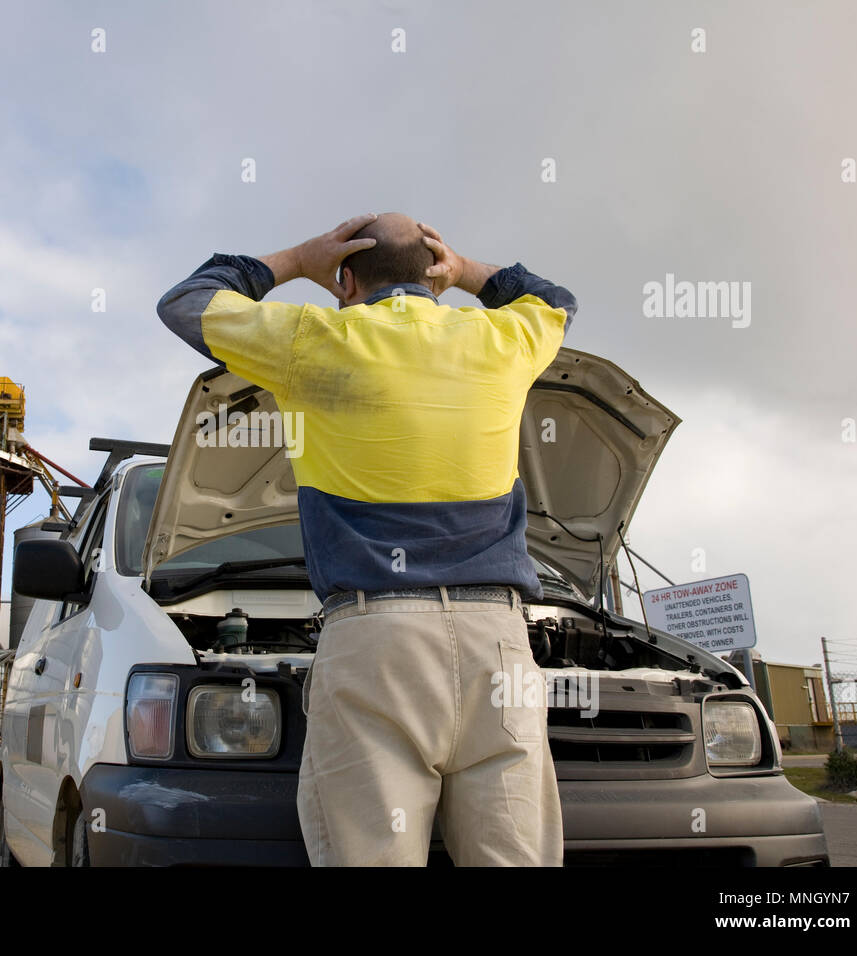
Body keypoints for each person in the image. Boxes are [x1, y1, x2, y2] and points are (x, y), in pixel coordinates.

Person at [156, 213, 575, 866]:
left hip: (376, 641)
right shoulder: (502, 338)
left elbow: (186, 302)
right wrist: (464, 271)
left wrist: (300, 259)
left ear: (345, 280)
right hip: (499, 644)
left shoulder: (310, 339)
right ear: (433, 276)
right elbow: (556, 301)